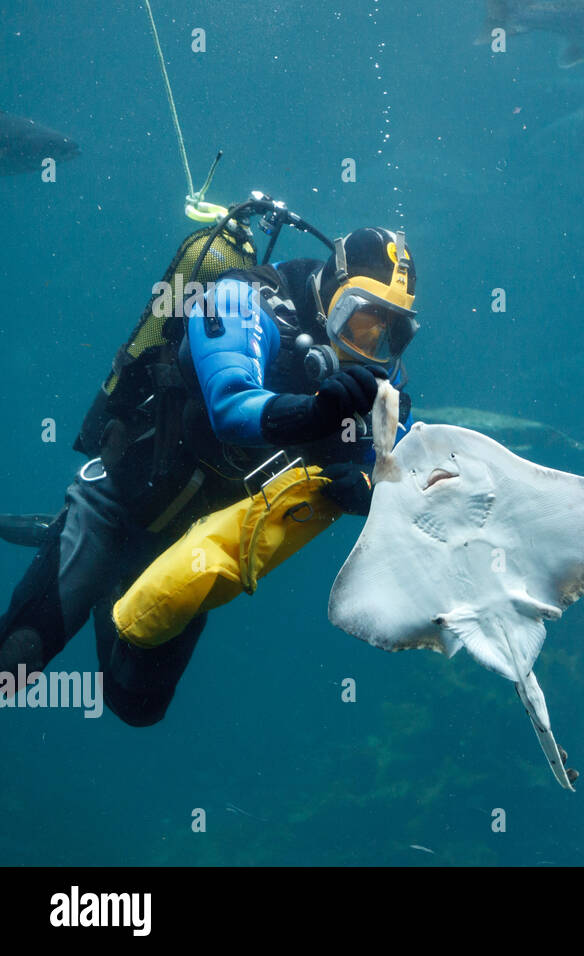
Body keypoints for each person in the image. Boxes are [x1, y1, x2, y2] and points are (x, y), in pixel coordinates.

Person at [0, 225, 419, 725]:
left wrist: (369, 488)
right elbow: (231, 407)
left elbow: (402, 466)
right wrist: (319, 413)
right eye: (361, 321)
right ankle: (72, 542)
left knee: (136, 706)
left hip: (194, 550)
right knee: (16, 660)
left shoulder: (379, 378)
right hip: (114, 507)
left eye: (390, 332)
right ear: (330, 290)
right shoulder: (242, 301)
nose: (370, 347)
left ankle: (110, 588)